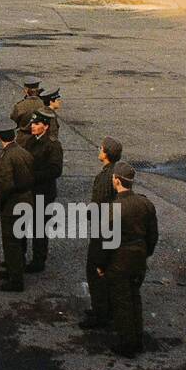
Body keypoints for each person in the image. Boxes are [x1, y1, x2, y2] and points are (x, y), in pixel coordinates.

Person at [100, 161, 158, 357]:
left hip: (119, 260)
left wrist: (101, 264)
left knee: (122, 302)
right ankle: (138, 339)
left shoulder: (114, 207)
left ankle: (128, 344)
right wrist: (145, 252)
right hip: (139, 257)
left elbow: (108, 240)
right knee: (135, 298)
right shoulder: (145, 203)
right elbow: (153, 236)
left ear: (116, 180)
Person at [79, 137, 122, 331]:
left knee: (95, 270)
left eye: (101, 148)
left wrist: (90, 213)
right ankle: (107, 309)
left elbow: (101, 204)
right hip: (111, 229)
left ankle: (100, 313)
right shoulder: (114, 173)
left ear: (106, 154)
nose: (99, 150)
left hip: (103, 229)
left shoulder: (105, 177)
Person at [0, 121, 33, 291]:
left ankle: (15, 280)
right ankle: (15, 267)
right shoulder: (23, 152)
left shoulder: (6, 157)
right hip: (27, 199)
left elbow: (6, 185)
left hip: (13, 203)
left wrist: (0, 201)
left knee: (11, 241)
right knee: (21, 237)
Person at [22, 109, 63, 272]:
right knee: (23, 225)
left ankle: (39, 260)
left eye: (37, 124)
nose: (33, 126)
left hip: (43, 192)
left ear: (45, 126)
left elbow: (55, 170)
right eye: (33, 123)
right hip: (29, 190)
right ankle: (19, 257)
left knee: (40, 228)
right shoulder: (31, 141)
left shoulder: (52, 145)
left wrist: (32, 176)